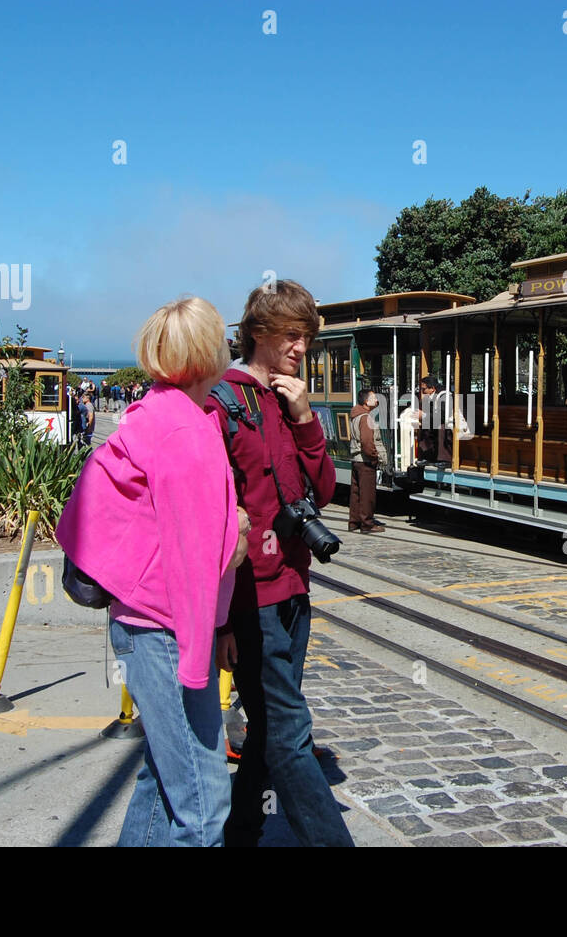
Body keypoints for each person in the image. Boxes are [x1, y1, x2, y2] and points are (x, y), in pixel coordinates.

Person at [55, 296, 248, 846]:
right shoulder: (185, 433)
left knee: (166, 779)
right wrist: (232, 545)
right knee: (205, 807)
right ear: (212, 353)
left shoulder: (157, 411)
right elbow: (191, 558)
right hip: (166, 630)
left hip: (142, 623)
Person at [210, 279, 354, 848]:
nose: (302, 349)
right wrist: (219, 618)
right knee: (291, 734)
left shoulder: (288, 401)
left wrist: (304, 419)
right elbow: (213, 519)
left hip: (295, 589)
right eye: (293, 336)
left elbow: (322, 491)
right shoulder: (223, 400)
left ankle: (242, 832)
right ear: (260, 335)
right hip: (252, 597)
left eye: (307, 339)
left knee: (270, 726)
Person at [348, 388, 386, 533]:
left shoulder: (356, 415)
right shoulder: (366, 418)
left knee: (356, 492)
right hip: (365, 460)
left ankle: (354, 522)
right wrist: (374, 456)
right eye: (374, 398)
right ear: (366, 401)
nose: (377, 400)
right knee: (367, 494)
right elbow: (367, 442)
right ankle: (367, 524)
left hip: (356, 459)